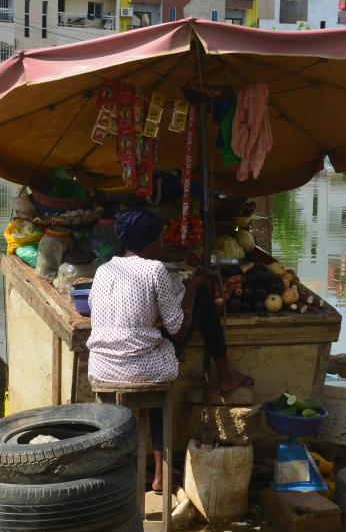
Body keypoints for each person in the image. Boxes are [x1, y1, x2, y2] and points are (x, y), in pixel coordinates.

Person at [87, 208, 252, 492]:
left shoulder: (103, 270)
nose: (163, 244)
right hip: (141, 368)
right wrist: (193, 287)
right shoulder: (155, 270)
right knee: (200, 299)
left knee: (152, 352)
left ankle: (139, 472)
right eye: (160, 238)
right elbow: (178, 328)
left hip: (102, 367)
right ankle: (225, 374)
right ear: (150, 242)